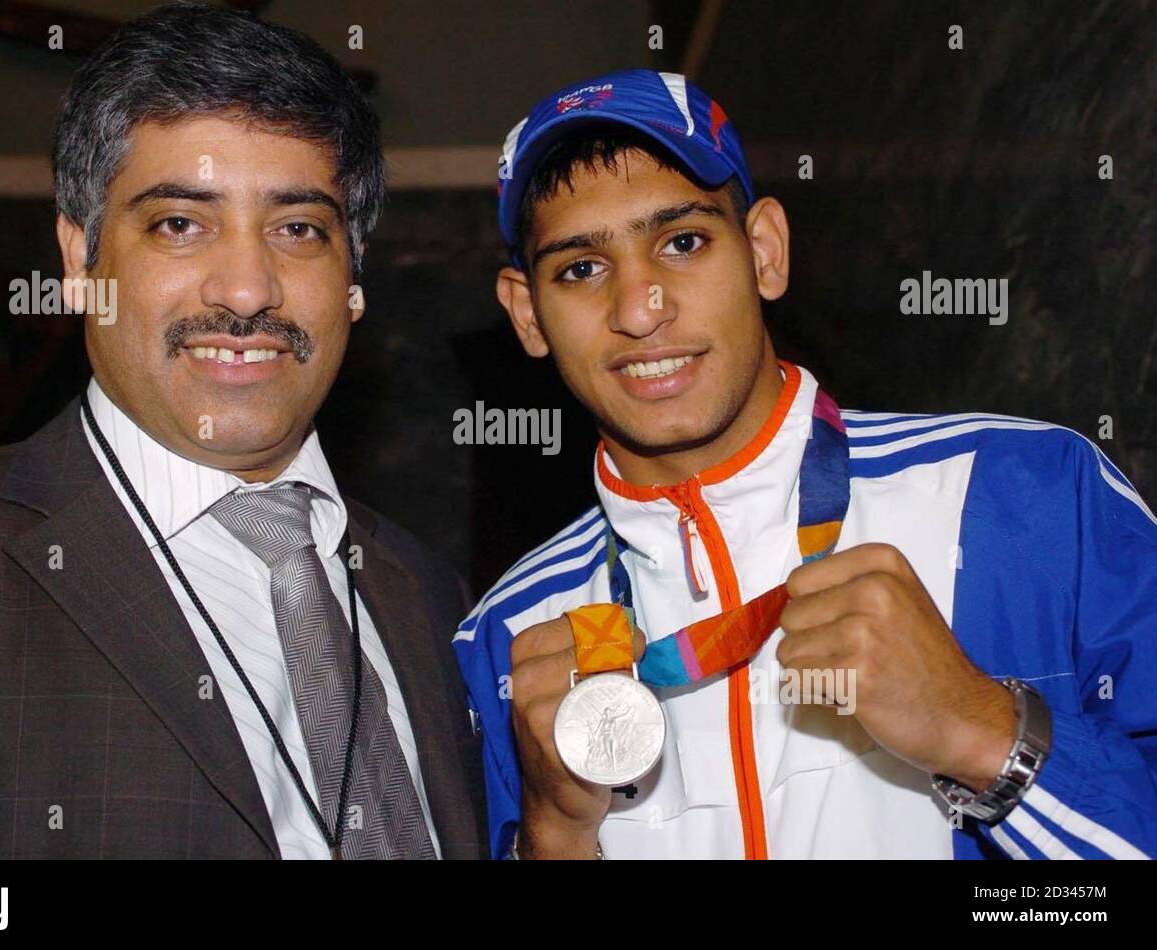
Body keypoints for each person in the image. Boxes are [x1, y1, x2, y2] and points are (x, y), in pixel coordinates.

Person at [453, 68, 1157, 859]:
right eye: (580, 268)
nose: (639, 309)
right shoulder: (504, 641)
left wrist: (985, 733)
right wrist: (554, 834)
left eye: (683, 242)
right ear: (526, 313)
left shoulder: (1031, 496)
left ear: (764, 252)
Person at [0, 3, 484, 860]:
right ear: (80, 264)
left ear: (354, 277)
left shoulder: (434, 601)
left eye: (298, 228)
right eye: (180, 224)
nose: (245, 289)